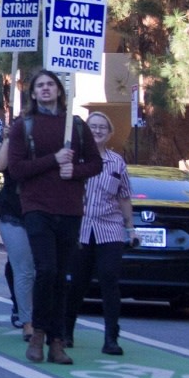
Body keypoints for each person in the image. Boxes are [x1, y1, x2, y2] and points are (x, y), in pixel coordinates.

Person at [7, 70, 102, 365]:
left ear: (60, 91)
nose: (46, 89)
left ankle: (57, 341)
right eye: (40, 86)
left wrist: (75, 170)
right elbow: (17, 169)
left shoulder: (75, 125)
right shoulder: (24, 126)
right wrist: (54, 160)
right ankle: (38, 334)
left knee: (62, 276)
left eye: (50, 84)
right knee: (45, 269)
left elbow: (96, 163)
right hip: (37, 207)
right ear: (32, 93)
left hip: (69, 208)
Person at [66, 111, 132, 356]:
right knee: (77, 284)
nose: (97, 130)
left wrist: (130, 227)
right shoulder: (76, 159)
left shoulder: (117, 162)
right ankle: (66, 331)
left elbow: (124, 196)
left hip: (110, 227)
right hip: (81, 228)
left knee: (109, 280)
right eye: (92, 126)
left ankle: (111, 337)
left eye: (102, 127)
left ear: (110, 132)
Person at [0, 135, 34, 341]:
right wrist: (10, 139)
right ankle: (27, 320)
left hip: (42, 212)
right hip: (14, 214)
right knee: (23, 269)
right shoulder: (13, 144)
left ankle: (42, 317)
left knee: (43, 269)